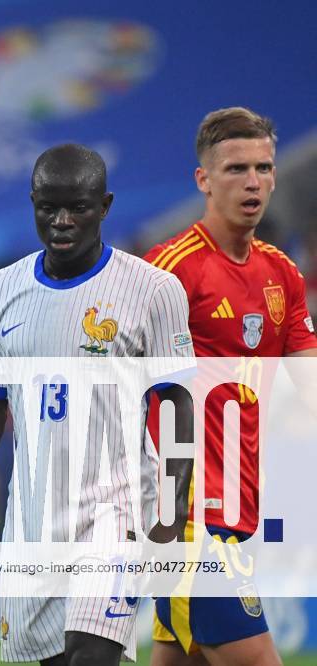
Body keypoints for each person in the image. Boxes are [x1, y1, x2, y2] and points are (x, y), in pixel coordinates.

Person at [0, 144, 196, 665]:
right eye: (48, 206)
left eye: (77, 206)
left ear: (105, 206)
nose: (61, 220)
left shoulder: (152, 290)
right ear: (32, 202)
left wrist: (173, 509)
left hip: (116, 511)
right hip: (32, 521)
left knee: (90, 655)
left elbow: (180, 403)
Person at [145, 107, 317, 666]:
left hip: (238, 506)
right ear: (203, 180)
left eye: (264, 167)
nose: (253, 181)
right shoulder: (168, 272)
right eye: (236, 168)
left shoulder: (282, 274)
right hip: (186, 514)